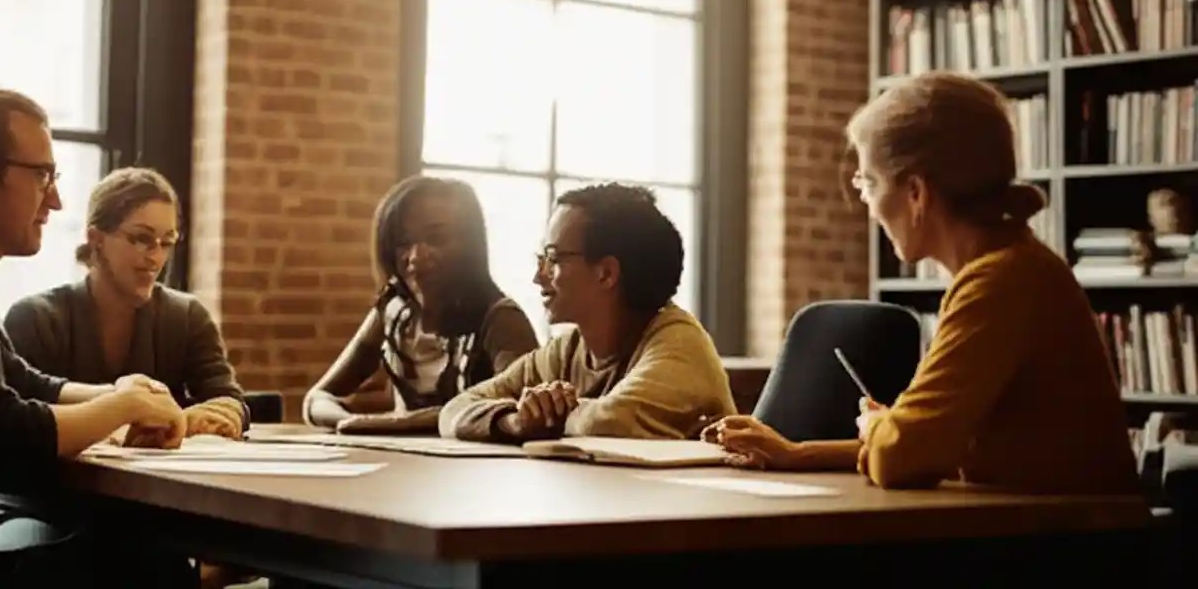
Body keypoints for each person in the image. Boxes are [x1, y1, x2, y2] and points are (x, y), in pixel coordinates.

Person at [704, 71, 1139, 495]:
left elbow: (902, 455)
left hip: (1068, 552)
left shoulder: (998, 281)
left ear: (916, 193)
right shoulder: (1011, 267)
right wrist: (798, 454)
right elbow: (933, 443)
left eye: (869, 182)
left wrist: (881, 426)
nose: (868, 205)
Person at [0, 84, 193, 586]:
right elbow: (1, 436)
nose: (58, 199)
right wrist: (125, 408)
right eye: (42, 175)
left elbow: (21, 381)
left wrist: (127, 392)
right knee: (153, 566)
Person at [439, 183, 737, 443]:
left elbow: (608, 422)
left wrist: (546, 417)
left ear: (606, 273)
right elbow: (455, 410)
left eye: (553, 259)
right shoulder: (565, 351)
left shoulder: (680, 343)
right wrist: (515, 421)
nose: (538, 276)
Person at [5, 167, 246, 444]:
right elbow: (18, 424)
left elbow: (229, 398)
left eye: (167, 242)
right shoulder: (36, 319)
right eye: (142, 239)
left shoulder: (188, 317)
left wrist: (212, 416)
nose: (156, 257)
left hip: (157, 486)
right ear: (96, 240)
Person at [303, 175, 539, 434]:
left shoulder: (501, 319)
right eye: (403, 243)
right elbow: (317, 398)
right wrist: (347, 422)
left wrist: (391, 424)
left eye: (436, 239)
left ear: (470, 245)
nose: (415, 257)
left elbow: (520, 408)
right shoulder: (393, 312)